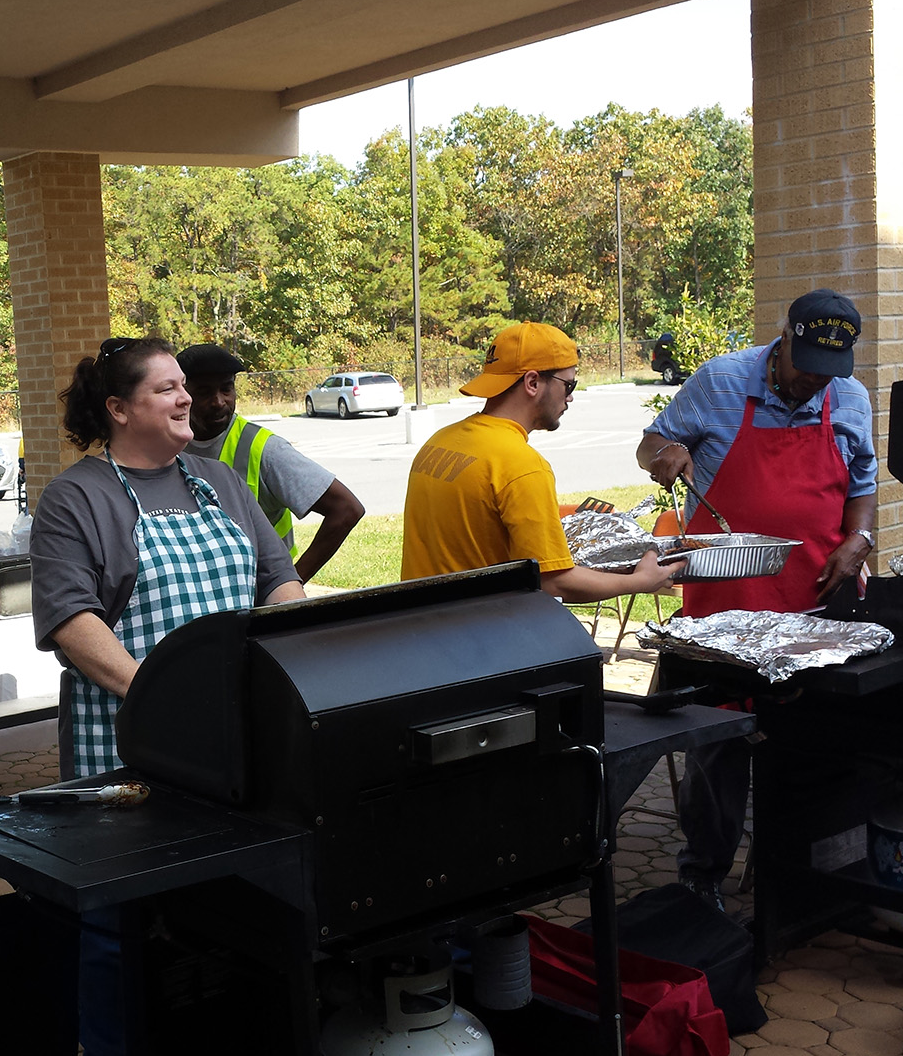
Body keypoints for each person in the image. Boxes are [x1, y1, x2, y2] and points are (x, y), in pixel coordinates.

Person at [31, 336, 306, 1056]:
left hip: (233, 741)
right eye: (167, 390)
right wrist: (162, 703)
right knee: (115, 921)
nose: (189, 399)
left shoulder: (216, 480)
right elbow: (72, 623)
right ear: (118, 410)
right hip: (126, 747)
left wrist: (297, 659)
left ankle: (220, 1046)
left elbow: (275, 575)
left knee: (227, 902)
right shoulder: (77, 499)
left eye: (186, 387)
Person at [635, 289, 877, 910]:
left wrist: (861, 539)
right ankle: (703, 875)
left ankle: (796, 869)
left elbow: (863, 486)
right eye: (806, 368)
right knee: (717, 745)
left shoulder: (848, 397)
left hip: (814, 602)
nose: (813, 384)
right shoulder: (719, 382)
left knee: (807, 742)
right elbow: (651, 445)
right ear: (784, 340)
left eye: (829, 372)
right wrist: (666, 457)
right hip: (725, 601)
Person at [401, 321, 679, 602]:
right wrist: (640, 581)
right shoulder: (521, 465)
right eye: (568, 384)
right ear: (532, 383)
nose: (570, 396)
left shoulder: (439, 441)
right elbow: (554, 583)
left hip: (423, 627)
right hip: (479, 633)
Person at [177, 342, 365, 582]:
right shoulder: (167, 445)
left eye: (227, 389)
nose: (219, 401)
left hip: (258, 597)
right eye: (204, 392)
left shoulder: (264, 449)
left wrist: (292, 582)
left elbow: (347, 509)